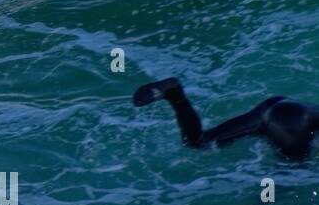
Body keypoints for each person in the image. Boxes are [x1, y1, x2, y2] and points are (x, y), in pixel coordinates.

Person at [133, 77, 319, 160]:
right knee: (290, 177)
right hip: (293, 124)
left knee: (199, 142)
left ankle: (175, 95)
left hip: (275, 106)